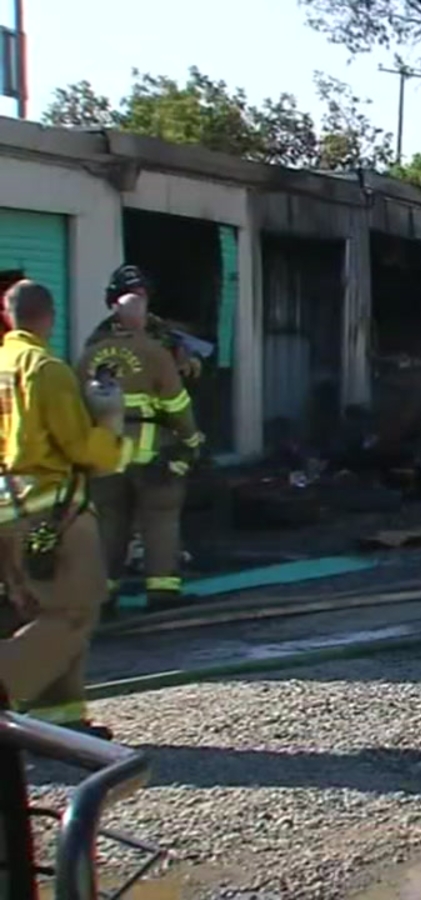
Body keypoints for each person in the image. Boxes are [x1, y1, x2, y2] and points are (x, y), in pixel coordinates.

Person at [0, 281, 126, 738]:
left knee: (37, 610)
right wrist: (109, 423)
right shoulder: (46, 369)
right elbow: (79, 448)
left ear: (7, 314)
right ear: (49, 317)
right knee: (75, 610)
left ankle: (61, 722)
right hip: (53, 512)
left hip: (7, 511)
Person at [78, 291, 205, 613]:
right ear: (144, 316)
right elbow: (177, 406)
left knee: (108, 522)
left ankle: (103, 596)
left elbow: (76, 407)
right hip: (151, 454)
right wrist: (191, 441)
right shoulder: (155, 352)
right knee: (160, 518)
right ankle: (162, 592)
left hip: (104, 454)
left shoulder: (89, 354)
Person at [92, 264, 202, 381]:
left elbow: (184, 357)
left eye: (141, 296)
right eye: (130, 295)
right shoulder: (103, 336)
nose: (136, 302)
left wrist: (185, 361)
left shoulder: (156, 326)